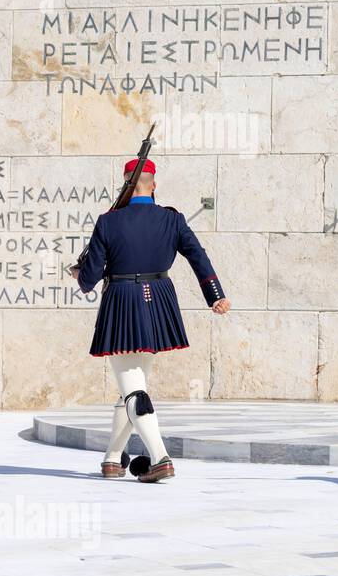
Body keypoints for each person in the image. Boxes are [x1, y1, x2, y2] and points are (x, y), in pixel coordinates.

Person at [72, 158, 230, 483]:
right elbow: (198, 255)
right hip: (158, 301)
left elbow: (89, 280)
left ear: (126, 185)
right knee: (132, 386)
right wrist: (215, 295)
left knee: (134, 391)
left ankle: (160, 458)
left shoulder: (108, 222)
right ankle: (112, 459)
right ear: (153, 184)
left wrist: (79, 272)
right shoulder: (172, 219)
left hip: (123, 302)